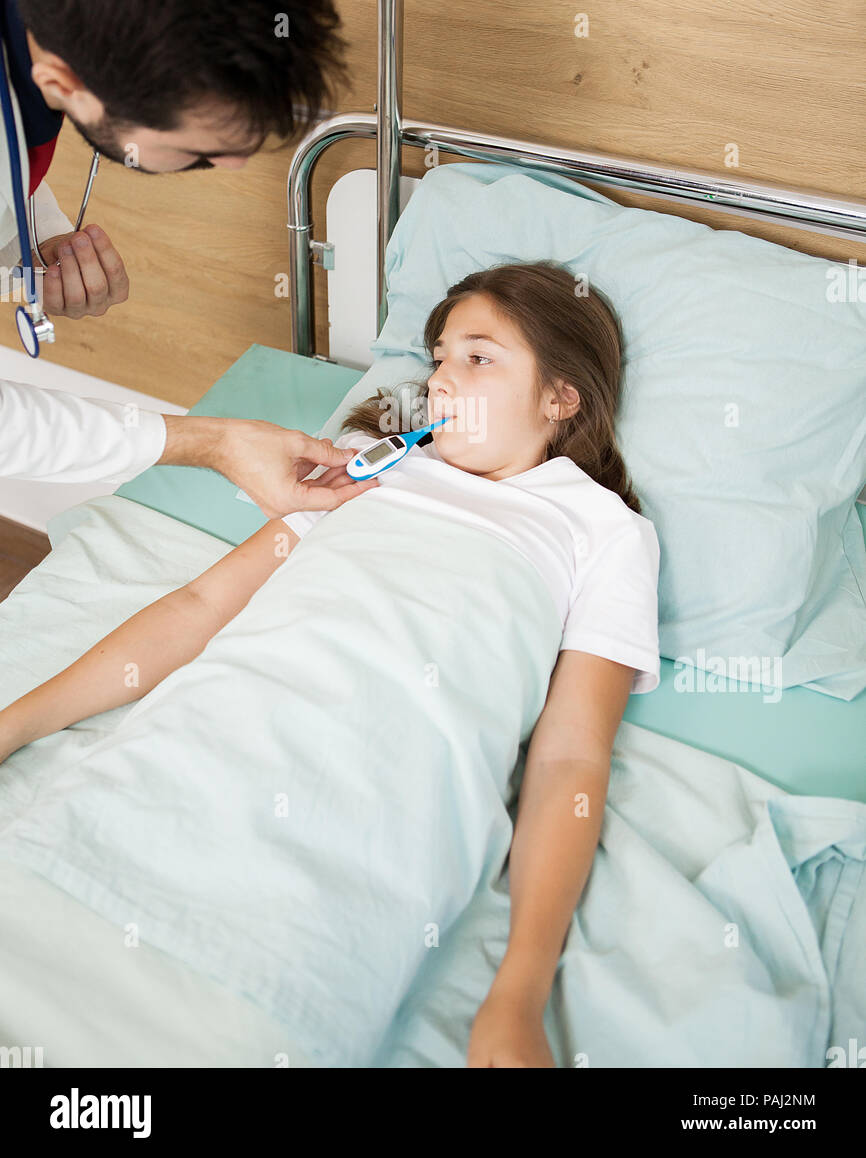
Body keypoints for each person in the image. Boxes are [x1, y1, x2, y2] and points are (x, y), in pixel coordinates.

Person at [0, 262, 661, 1068]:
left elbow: (569, 756)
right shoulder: (368, 468)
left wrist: (518, 992)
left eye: (479, 358)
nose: (443, 379)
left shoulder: (600, 530)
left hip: (374, 804)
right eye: (440, 356)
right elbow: (202, 607)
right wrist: (9, 727)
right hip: (208, 737)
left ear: (562, 397)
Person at [0, 0, 366, 516]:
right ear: (63, 82)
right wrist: (210, 442)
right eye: (200, 152)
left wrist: (28, 240)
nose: (231, 165)